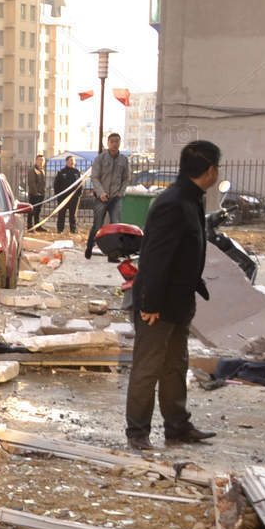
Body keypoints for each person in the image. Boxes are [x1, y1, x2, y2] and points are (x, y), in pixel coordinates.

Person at [125, 140, 221, 450]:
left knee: (175, 366)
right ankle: (138, 432)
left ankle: (177, 426)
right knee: (147, 368)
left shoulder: (192, 198)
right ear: (211, 170)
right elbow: (154, 258)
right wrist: (150, 303)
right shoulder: (173, 202)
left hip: (179, 302)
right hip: (157, 304)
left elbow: (186, 251)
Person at [85, 132, 130, 258]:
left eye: (117, 141)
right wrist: (101, 193)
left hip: (116, 198)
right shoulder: (100, 158)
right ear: (108, 143)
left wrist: (121, 192)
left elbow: (126, 178)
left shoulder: (124, 160)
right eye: (113, 141)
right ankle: (89, 247)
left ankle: (113, 254)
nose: (115, 144)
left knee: (116, 225)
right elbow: (95, 177)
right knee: (97, 224)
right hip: (101, 198)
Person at [53, 156, 82, 234]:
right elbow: (56, 185)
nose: (72, 162)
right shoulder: (61, 172)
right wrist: (58, 195)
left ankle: (73, 229)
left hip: (74, 197)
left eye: (73, 160)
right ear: (66, 162)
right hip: (63, 198)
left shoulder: (77, 172)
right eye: (70, 160)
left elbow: (80, 184)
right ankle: (60, 229)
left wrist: (79, 194)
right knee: (61, 214)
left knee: (73, 215)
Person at [25, 155, 48, 230]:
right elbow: (32, 182)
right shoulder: (33, 170)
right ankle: (30, 226)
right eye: (40, 160)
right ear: (36, 161)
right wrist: (36, 192)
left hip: (41, 194)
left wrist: (43, 191)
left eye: (43, 160)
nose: (41, 162)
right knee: (32, 210)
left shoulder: (42, 170)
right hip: (34, 194)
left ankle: (37, 226)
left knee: (38, 211)